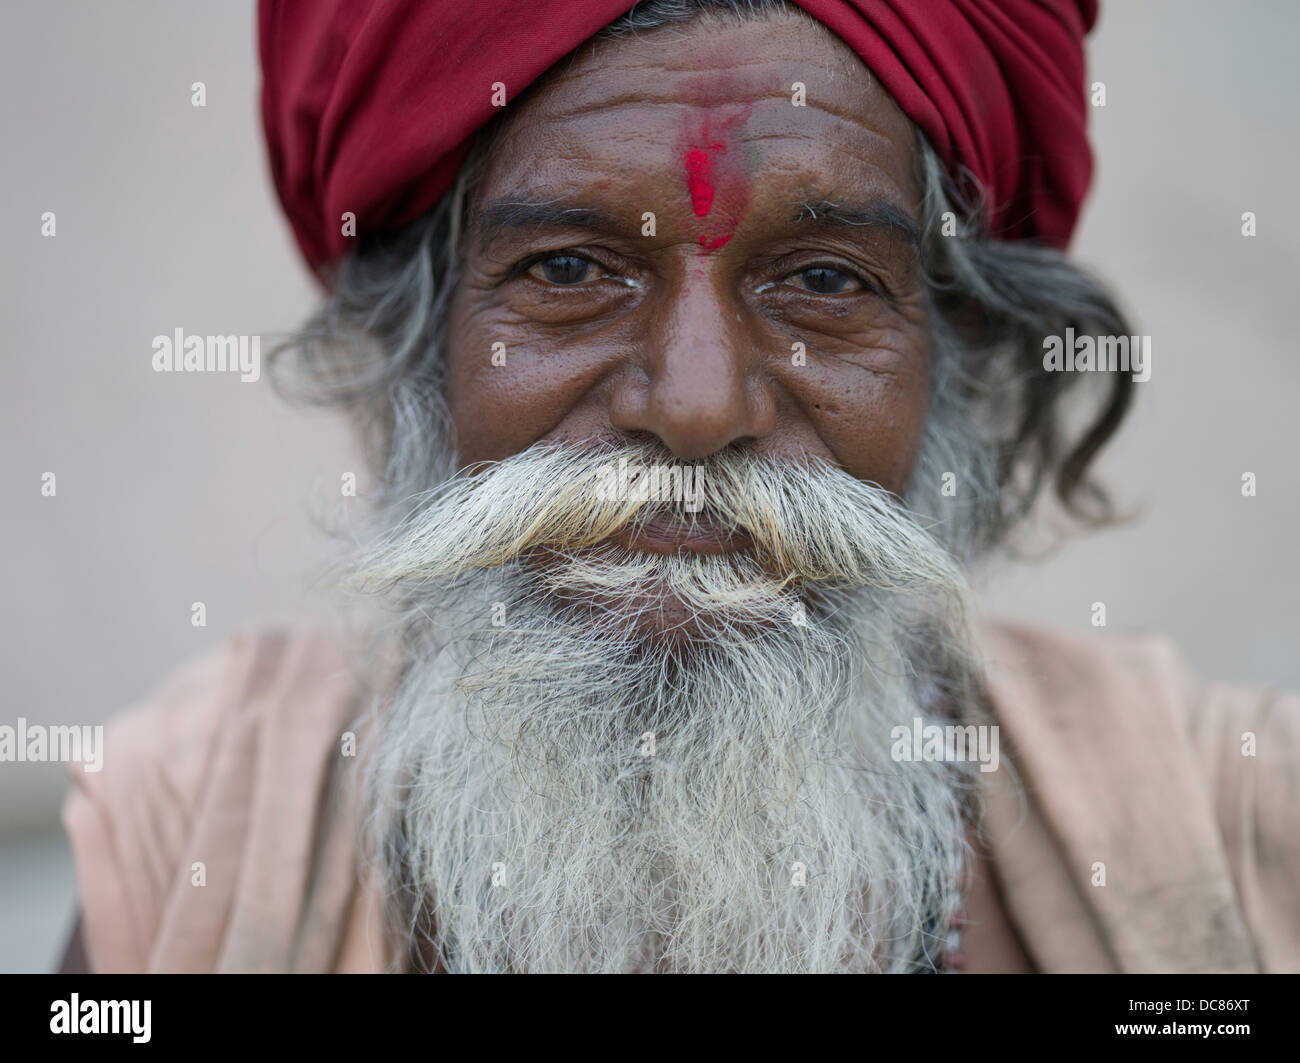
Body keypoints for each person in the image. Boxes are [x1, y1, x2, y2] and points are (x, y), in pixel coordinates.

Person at [60, 0, 1299, 973]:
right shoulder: (192, 829)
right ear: (415, 349)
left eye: (823, 282)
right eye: (566, 267)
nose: (698, 409)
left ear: (959, 360)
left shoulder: (1226, 825)